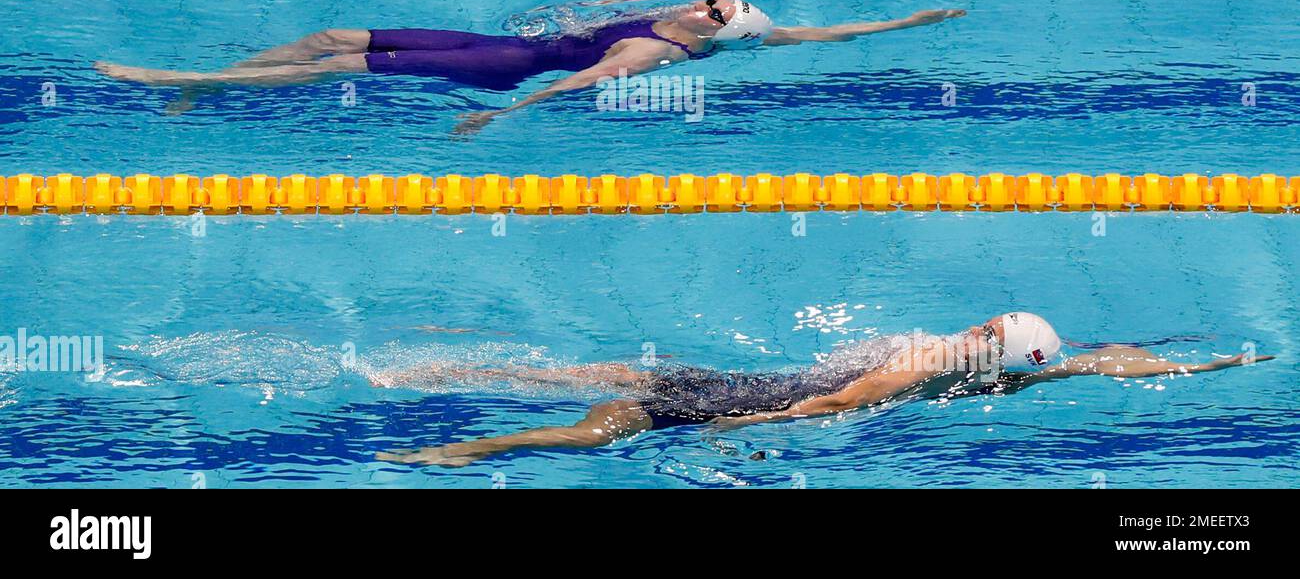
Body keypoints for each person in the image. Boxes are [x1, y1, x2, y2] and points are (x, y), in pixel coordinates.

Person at [371, 312, 1272, 467]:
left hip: (722, 377)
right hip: (724, 401)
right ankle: (468, 451)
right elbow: (835, 405)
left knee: (589, 377)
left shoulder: (960, 354)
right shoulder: (934, 370)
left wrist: (1201, 358)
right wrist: (745, 431)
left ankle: (444, 365)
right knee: (598, 432)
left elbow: (1099, 357)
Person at [92, 0, 966, 133]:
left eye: (713, 9)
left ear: (704, 37)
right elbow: (820, 37)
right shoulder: (709, 24)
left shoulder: (644, 50)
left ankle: (186, 85)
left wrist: (501, 116)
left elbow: (577, 81)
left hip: (490, 72)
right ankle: (208, 87)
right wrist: (910, 20)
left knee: (334, 70)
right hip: (487, 39)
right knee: (334, 37)